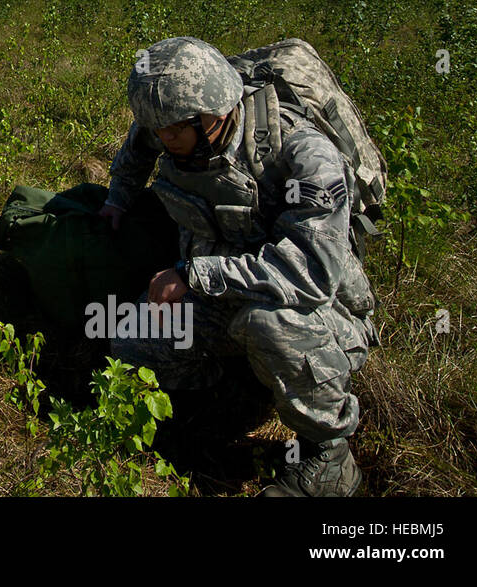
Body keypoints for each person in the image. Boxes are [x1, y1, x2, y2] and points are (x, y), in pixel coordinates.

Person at [99, 36, 374, 496]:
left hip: (313, 309)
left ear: (217, 114)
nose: (162, 138)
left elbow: (311, 273)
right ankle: (239, 387)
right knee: (130, 341)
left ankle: (330, 457)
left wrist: (192, 275)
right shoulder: (173, 120)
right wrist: (117, 199)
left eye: (173, 129)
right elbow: (138, 149)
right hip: (221, 292)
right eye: (156, 126)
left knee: (267, 325)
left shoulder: (303, 154)